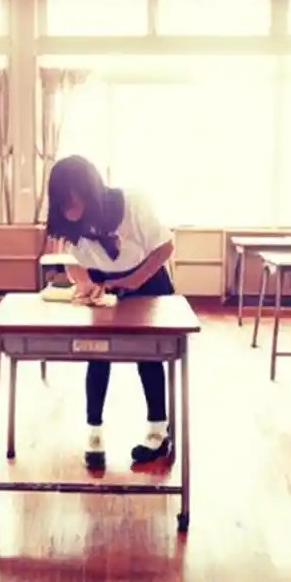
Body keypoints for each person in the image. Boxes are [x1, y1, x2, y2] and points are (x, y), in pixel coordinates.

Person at [45, 156, 175, 470]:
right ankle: (94, 434)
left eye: (73, 201)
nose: (69, 211)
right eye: (62, 203)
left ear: (90, 192)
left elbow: (165, 247)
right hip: (104, 285)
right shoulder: (68, 223)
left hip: (147, 281)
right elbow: (71, 261)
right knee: (97, 353)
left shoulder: (133, 203)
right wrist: (84, 282)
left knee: (149, 357)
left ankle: (158, 432)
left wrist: (132, 282)